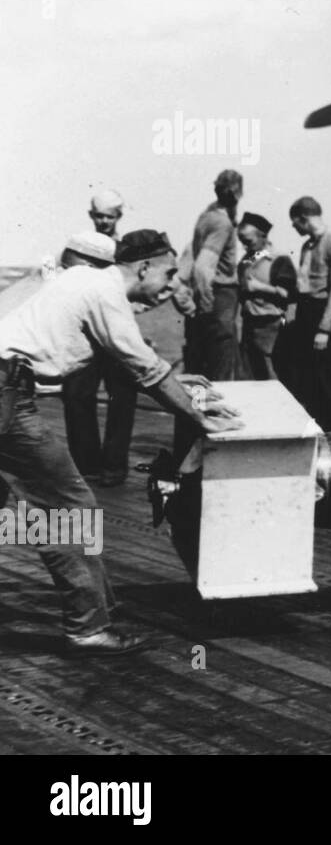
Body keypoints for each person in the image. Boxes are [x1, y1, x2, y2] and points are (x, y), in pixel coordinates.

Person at [0, 229, 241, 656]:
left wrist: (176, 381)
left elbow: (124, 360)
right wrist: (200, 416)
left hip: (10, 391)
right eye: (168, 274)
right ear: (143, 267)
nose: (171, 285)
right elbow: (143, 367)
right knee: (69, 509)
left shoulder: (84, 281)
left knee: (28, 506)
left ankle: (95, 606)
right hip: (7, 397)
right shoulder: (107, 292)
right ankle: (88, 627)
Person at [61, 191, 139, 487]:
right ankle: (86, 465)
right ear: (91, 215)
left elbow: (140, 288)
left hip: (117, 331)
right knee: (76, 394)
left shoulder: (127, 249)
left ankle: (115, 466)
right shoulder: (80, 246)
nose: (104, 221)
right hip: (85, 334)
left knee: (123, 397)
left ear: (119, 216)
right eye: (100, 215)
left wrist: (135, 308)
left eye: (110, 216)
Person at [286, 197, 331, 431]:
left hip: (325, 316)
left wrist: (325, 328)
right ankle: (322, 428)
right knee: (311, 378)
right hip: (307, 314)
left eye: (294, 223)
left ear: (303, 218)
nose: (294, 228)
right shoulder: (308, 246)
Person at [184, 169, 242, 380]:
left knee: (200, 368)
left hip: (205, 298)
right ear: (237, 195)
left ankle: (197, 410)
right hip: (219, 299)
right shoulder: (222, 223)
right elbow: (202, 267)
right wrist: (208, 304)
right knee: (220, 368)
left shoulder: (205, 217)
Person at [235, 212, 297, 381]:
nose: (245, 246)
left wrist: (258, 287)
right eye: (242, 242)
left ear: (263, 236)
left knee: (272, 373)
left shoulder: (279, 259)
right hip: (249, 324)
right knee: (249, 374)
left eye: (248, 241)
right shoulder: (245, 262)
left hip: (271, 324)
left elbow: (288, 294)